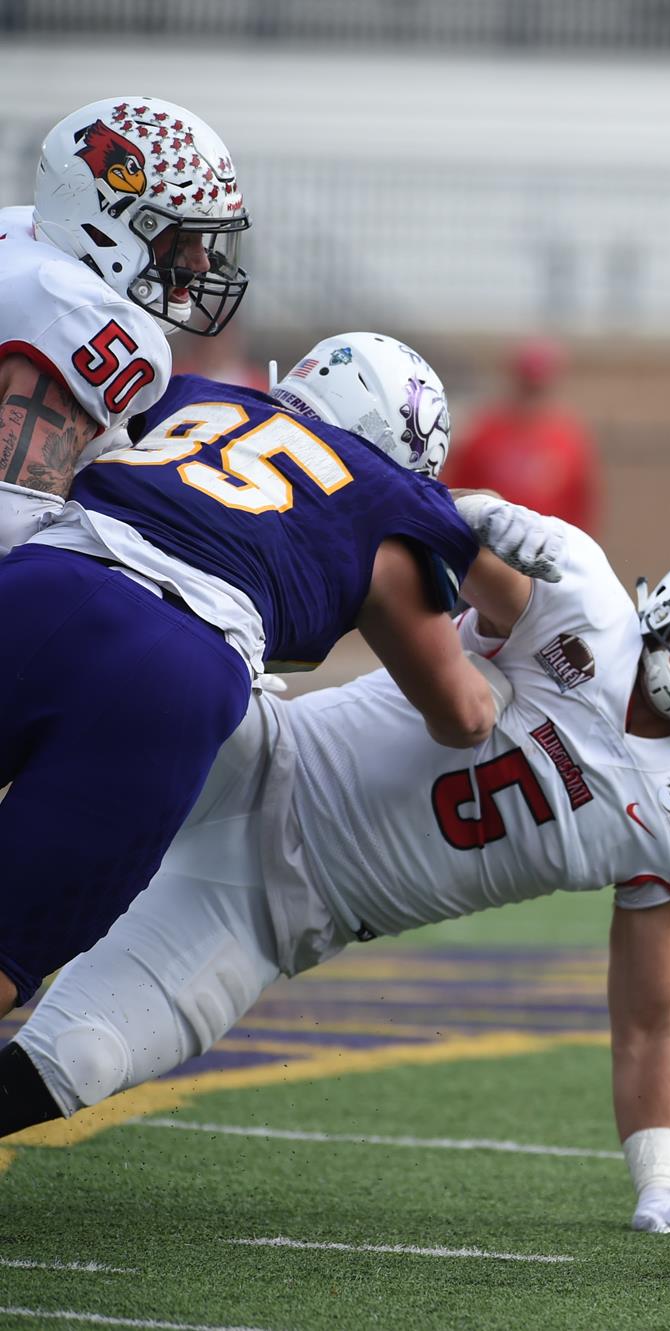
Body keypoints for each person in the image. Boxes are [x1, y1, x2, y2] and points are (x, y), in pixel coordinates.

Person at [0, 522, 670, 1238]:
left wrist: (662, 1183)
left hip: (276, 913)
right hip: (258, 754)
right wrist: (475, 529)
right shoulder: (581, 600)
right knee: (131, 697)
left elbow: (652, 1018)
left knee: (79, 1057)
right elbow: (405, 520)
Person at [0, 333, 544, 1014]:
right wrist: (498, 680)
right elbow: (463, 715)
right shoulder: (388, 498)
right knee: (11, 936)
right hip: (172, 663)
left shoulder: (193, 395)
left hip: (38, 582)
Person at [1, 96, 251, 557]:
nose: (200, 262)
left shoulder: (22, 234)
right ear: (105, 220)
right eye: (182, 237)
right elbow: (10, 534)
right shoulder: (78, 317)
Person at [442, 336, 601, 532]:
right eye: (526, 386)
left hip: (547, 547)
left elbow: (582, 504)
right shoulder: (485, 433)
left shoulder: (569, 439)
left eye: (537, 389)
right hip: (486, 549)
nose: (530, 397)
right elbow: (455, 492)